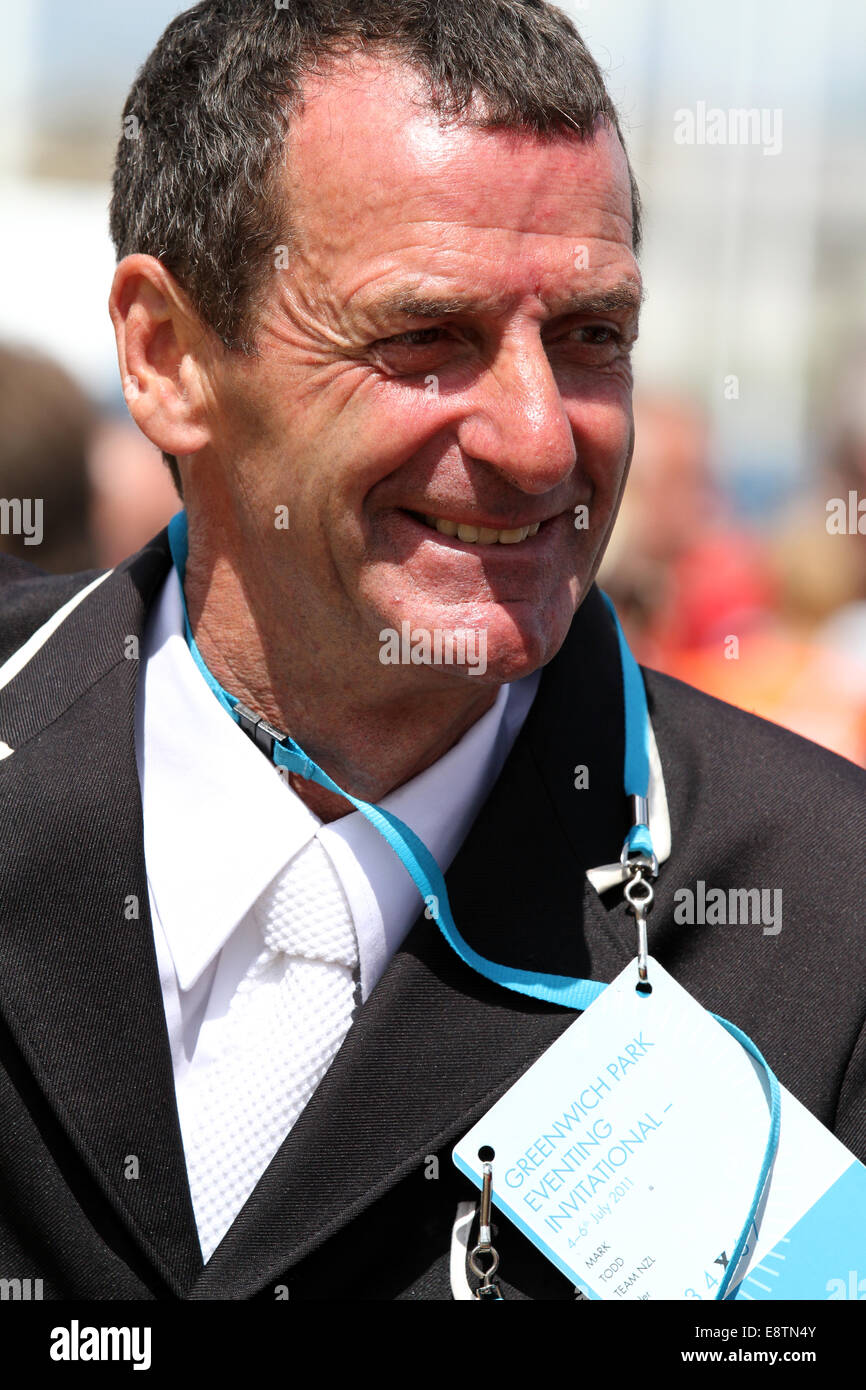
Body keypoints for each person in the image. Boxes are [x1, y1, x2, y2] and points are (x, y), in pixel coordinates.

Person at [1, 0, 865, 1303]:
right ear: (168, 356)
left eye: (590, 338)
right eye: (423, 337)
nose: (534, 438)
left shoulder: (822, 913)